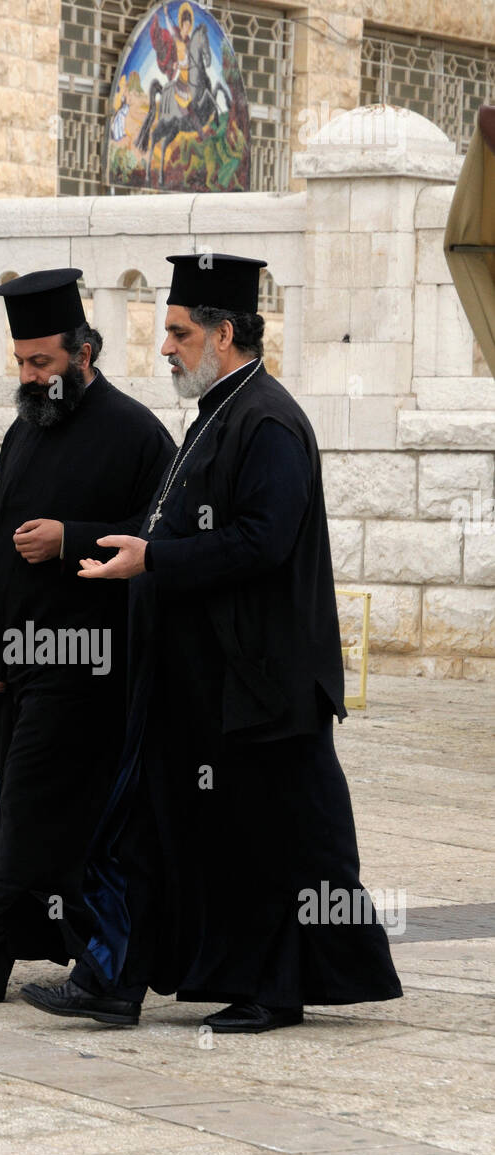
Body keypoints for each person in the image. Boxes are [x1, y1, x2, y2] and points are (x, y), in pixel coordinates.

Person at [21, 252, 403, 1031]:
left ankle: (274, 987)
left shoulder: (267, 421)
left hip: (259, 686)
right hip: (200, 683)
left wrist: (153, 557)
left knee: (280, 846)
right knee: (150, 828)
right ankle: (114, 978)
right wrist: (125, 548)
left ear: (223, 334)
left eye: (177, 332)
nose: (164, 348)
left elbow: (262, 542)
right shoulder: (217, 416)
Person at [0, 268, 175, 1003]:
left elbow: (158, 545)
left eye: (43, 364)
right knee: (46, 814)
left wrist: (72, 539)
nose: (30, 377)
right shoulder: (29, 427)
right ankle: (92, 952)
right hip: (22, 661)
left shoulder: (137, 435)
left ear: (84, 355)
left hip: (89, 665)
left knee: (33, 805)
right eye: (22, 363)